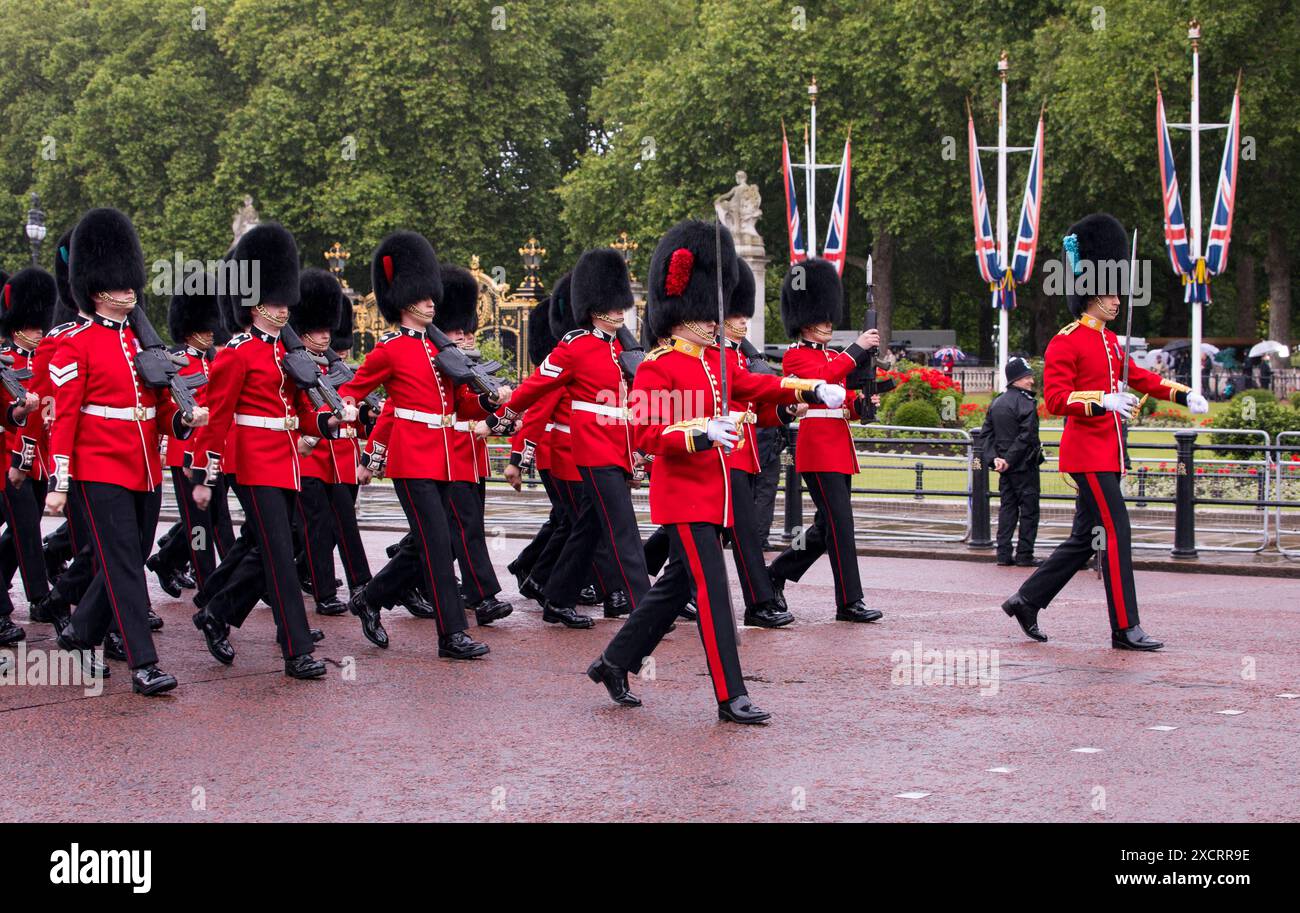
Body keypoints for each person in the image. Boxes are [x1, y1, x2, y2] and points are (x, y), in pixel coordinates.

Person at [587, 219, 845, 724]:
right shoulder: (656, 367)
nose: (716, 320)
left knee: (676, 586)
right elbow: (644, 434)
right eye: (706, 311)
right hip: (684, 497)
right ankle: (731, 695)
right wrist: (701, 433)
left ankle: (613, 662)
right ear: (682, 312)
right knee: (713, 592)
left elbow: (762, 388)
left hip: (719, 495)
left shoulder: (717, 362)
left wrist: (809, 392)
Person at [1001, 213, 1209, 650]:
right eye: (1110, 293)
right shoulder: (1066, 341)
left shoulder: (1112, 341)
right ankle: (1125, 627)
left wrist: (1183, 393)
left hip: (1109, 454)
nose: (1118, 300)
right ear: (1089, 294)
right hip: (1087, 454)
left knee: (1084, 538)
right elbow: (1056, 400)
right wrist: (1101, 400)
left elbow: (1142, 377)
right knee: (1117, 532)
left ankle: (1027, 600)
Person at [48, 208, 210, 695]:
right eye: (120, 286)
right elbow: (67, 415)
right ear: (97, 290)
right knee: (120, 562)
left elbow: (158, 409)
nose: (129, 291)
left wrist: (183, 418)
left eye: (130, 283)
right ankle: (144, 664)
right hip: (99, 466)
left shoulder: (142, 342)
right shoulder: (74, 344)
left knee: (135, 553)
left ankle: (79, 633)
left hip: (143, 465)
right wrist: (59, 478)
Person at [188, 222, 345, 678]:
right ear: (255, 303)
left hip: (286, 460)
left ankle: (216, 611)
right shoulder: (236, 353)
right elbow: (216, 416)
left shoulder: (286, 354)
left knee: (274, 546)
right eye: (276, 301)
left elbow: (299, 409)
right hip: (253, 462)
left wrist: (329, 420)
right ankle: (295, 649)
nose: (283, 308)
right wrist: (204, 475)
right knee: (277, 552)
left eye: (284, 300)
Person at [337, 230, 493, 660]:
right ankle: (451, 635)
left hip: (445, 456)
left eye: (431, 297)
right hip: (412, 458)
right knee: (438, 543)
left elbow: (460, 403)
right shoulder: (389, 351)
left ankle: (370, 598)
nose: (431, 303)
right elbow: (352, 387)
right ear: (404, 300)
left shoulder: (440, 349)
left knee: (433, 542)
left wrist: (487, 399)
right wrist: (346, 410)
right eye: (423, 297)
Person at [483, 248, 649, 628]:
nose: (621, 311)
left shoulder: (623, 350)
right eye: (613, 305)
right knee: (622, 527)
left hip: (616, 447)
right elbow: (536, 389)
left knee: (588, 526)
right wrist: (502, 418)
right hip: (589, 448)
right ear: (594, 308)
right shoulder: (575, 346)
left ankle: (556, 598)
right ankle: (644, 606)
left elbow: (634, 405)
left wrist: (641, 450)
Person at [767, 258, 882, 623]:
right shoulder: (795, 359)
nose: (829, 323)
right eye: (822, 318)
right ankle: (849, 601)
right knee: (841, 524)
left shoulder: (834, 355)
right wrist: (857, 350)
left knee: (825, 527)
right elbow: (822, 380)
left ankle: (776, 572)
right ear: (804, 322)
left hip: (838, 446)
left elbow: (843, 397)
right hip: (816, 449)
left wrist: (863, 403)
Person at [289, 268, 369, 617]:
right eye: (316, 330)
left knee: (346, 525)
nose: (324, 337)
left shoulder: (337, 368)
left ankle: (362, 586)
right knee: (316, 528)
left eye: (327, 329)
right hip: (310, 457)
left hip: (342, 459)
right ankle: (323, 592)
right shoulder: (293, 368)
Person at [145, 287, 224, 597]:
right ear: (188, 330)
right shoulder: (175, 361)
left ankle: (167, 559)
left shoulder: (213, 360)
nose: (209, 333)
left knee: (212, 517)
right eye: (203, 328)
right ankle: (206, 580)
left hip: (212, 452)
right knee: (199, 525)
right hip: (186, 451)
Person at [0, 268, 58, 644]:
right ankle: (41, 598)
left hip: (37, 458)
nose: (39, 332)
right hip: (7, 458)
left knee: (23, 530)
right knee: (25, 529)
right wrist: (18, 413)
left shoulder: (46, 359)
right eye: (33, 326)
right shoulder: (4, 358)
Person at [982, 356, 1044, 567]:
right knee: (1029, 511)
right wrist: (1009, 460)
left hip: (1004, 468)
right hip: (1024, 466)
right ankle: (1025, 554)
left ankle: (1003, 553)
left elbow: (986, 436)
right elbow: (1027, 437)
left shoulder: (997, 402)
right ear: (1016, 379)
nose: (1031, 381)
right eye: (1027, 377)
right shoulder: (1026, 403)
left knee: (1007, 509)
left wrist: (995, 460)